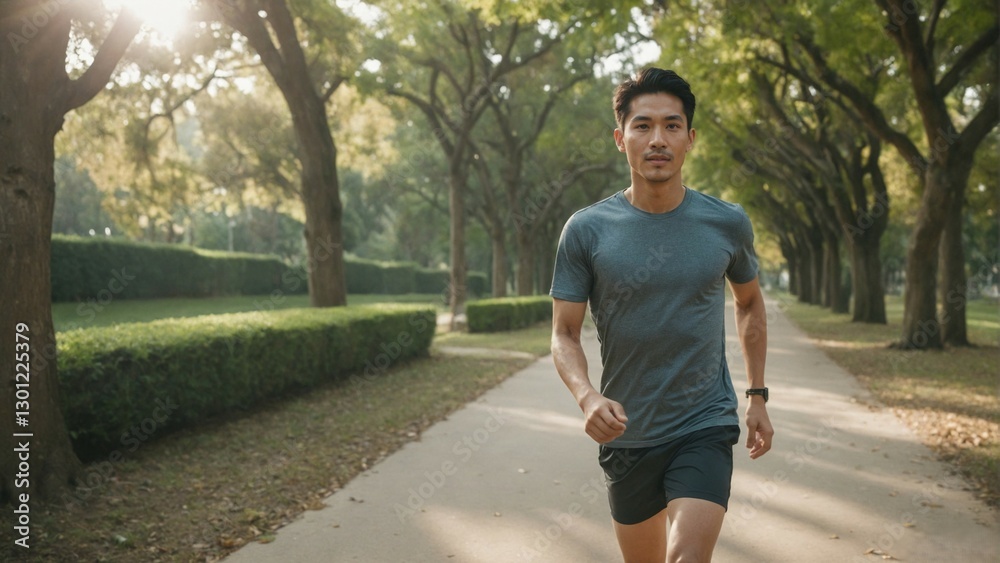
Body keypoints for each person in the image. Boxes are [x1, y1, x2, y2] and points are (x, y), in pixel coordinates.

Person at [549, 67, 773, 563]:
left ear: (690, 139)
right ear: (619, 137)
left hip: (705, 423)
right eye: (643, 125)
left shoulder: (726, 222)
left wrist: (756, 395)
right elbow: (564, 333)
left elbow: (751, 301)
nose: (658, 139)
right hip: (628, 432)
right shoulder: (586, 231)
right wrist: (587, 397)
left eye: (672, 126)